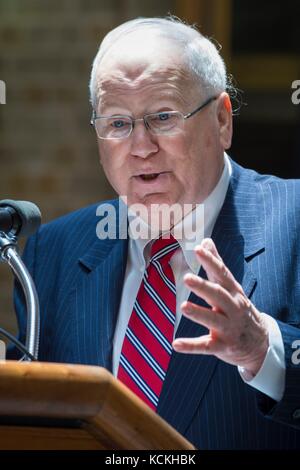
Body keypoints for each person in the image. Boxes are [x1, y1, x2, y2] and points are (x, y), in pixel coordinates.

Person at [12, 17, 300, 449]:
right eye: (117, 124)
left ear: (222, 120)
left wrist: (265, 350)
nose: (141, 146)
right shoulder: (51, 253)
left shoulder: (293, 219)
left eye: (163, 117)